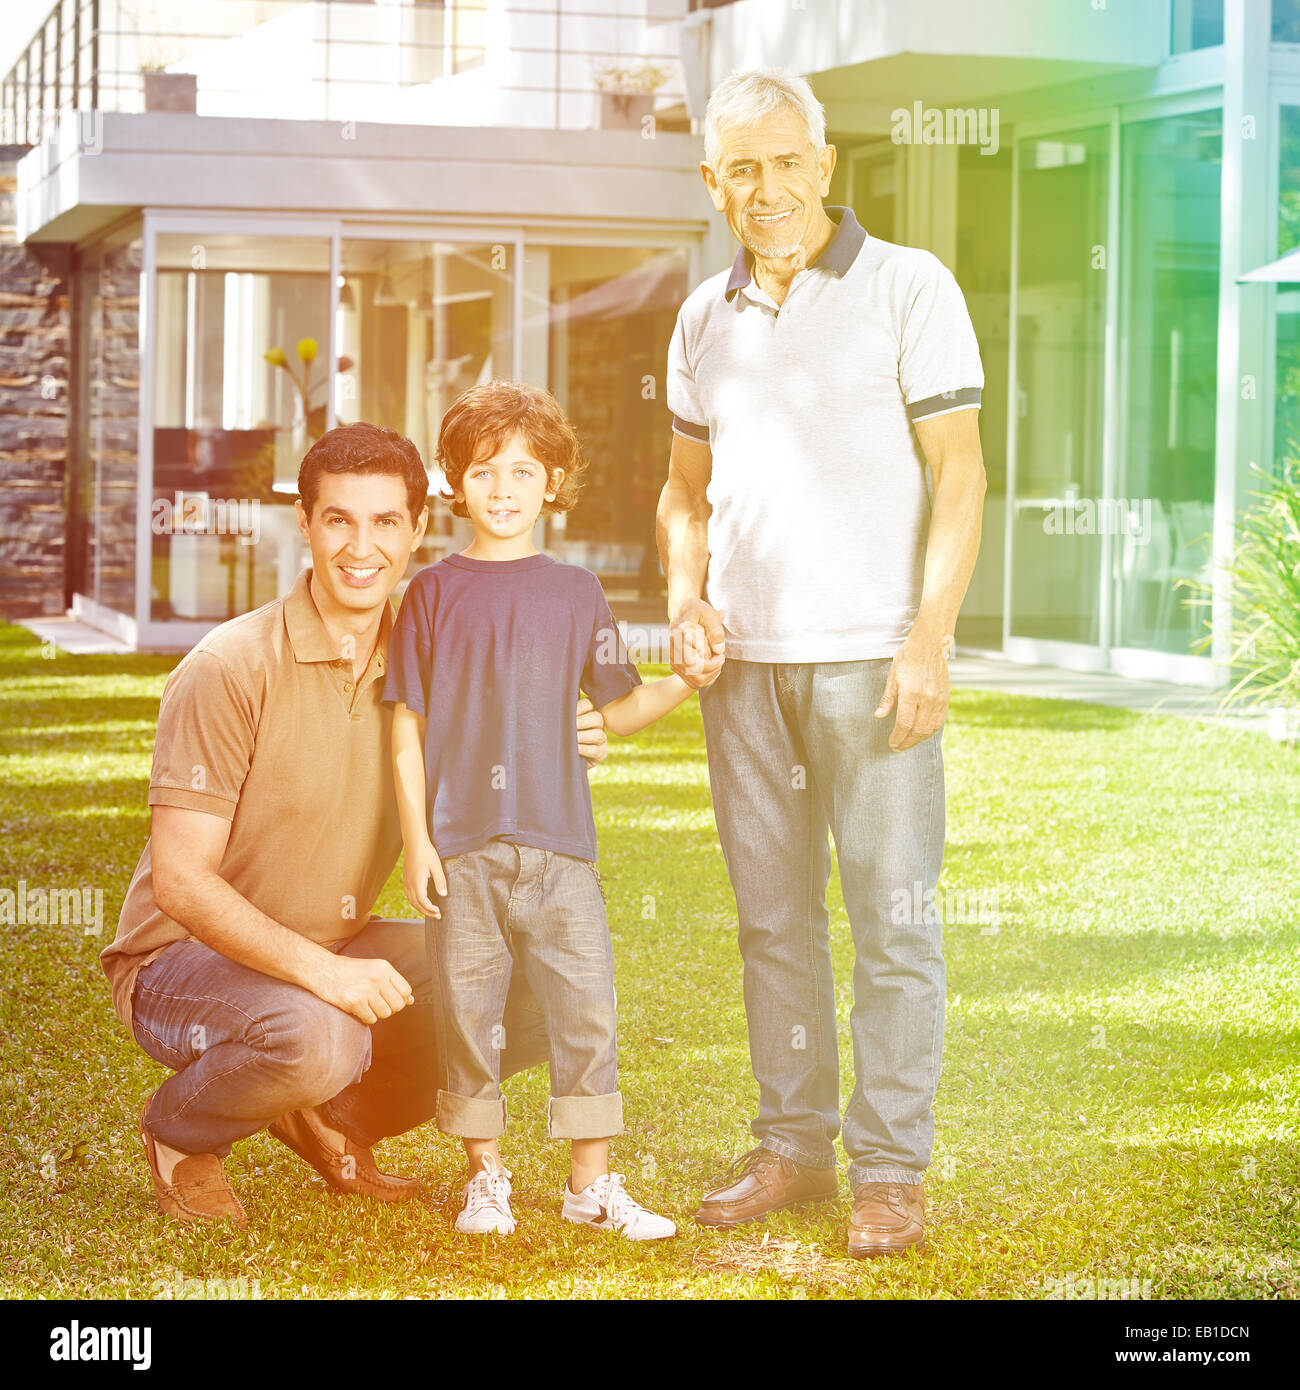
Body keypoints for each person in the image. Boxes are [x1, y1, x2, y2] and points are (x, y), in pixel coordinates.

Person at [100, 422, 609, 1227]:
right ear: (304, 524)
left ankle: (336, 1119)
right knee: (318, 1036)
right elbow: (182, 882)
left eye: (383, 522)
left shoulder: (432, 649)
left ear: (415, 529)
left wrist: (579, 724)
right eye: (338, 519)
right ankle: (179, 1135)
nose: (359, 546)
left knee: (545, 976)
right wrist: (323, 975)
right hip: (179, 962)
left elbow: (518, 715)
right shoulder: (228, 667)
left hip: (338, 937)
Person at [657, 69, 987, 1256]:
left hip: (875, 663)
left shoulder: (910, 286)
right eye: (741, 167)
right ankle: (793, 1148)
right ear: (712, 183)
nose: (768, 188)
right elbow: (682, 493)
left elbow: (960, 474)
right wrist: (685, 595)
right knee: (772, 921)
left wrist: (929, 638)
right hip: (744, 671)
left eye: (787, 160)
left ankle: (888, 1169)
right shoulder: (701, 318)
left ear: (826, 164)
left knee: (892, 920)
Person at [385, 381, 723, 1240]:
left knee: (587, 1009)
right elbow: (403, 730)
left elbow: (616, 709)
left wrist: (690, 680)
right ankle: (485, 1178)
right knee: (468, 1016)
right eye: (484, 470)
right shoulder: (429, 595)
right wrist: (416, 840)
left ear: (554, 481)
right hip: (461, 849)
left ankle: (590, 1185)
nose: (503, 489)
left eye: (524, 470)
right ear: (454, 482)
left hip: (563, 851)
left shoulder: (578, 593)